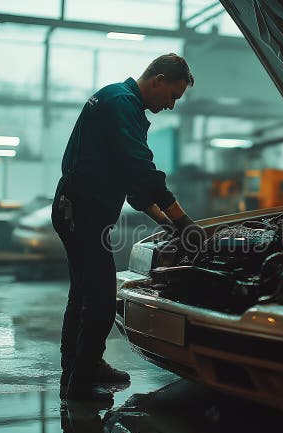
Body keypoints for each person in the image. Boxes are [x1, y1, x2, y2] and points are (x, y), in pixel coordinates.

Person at [52, 53, 199, 403]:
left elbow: (130, 180)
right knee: (101, 299)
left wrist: (163, 221)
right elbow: (139, 168)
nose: (171, 106)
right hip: (81, 211)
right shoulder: (121, 103)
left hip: (78, 209)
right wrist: (181, 219)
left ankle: (80, 369)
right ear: (159, 80)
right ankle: (80, 385)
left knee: (84, 294)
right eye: (173, 96)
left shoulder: (120, 101)